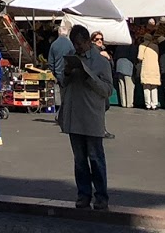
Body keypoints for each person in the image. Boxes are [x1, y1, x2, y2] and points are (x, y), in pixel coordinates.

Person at [56, 25, 113, 211]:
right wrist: (65, 74)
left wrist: (90, 77)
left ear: (88, 41)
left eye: (80, 44)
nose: (78, 48)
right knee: (79, 160)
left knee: (96, 158)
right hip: (74, 116)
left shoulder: (101, 62)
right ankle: (83, 195)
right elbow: (64, 85)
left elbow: (107, 90)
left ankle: (101, 196)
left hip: (92, 116)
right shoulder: (71, 59)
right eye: (75, 44)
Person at [136, 34, 161, 110]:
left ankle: (148, 104)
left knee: (146, 87)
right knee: (154, 86)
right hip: (155, 67)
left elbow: (140, 57)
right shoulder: (155, 46)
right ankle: (154, 104)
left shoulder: (142, 46)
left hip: (146, 67)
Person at [112, 41, 135, 110]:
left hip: (119, 66)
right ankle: (129, 103)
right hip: (127, 66)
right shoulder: (132, 46)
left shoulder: (119, 46)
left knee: (121, 85)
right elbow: (133, 56)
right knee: (129, 86)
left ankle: (123, 103)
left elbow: (115, 56)